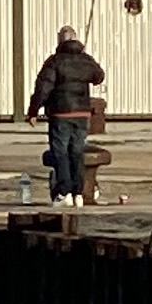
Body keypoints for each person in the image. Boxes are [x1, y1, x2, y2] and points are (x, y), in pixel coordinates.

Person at [26, 26, 106, 204]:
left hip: (60, 113)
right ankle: (79, 193)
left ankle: (64, 192)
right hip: (82, 114)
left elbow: (43, 88)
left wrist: (33, 111)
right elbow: (99, 77)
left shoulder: (54, 62)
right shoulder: (86, 60)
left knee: (60, 152)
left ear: (59, 40)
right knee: (76, 152)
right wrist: (86, 63)